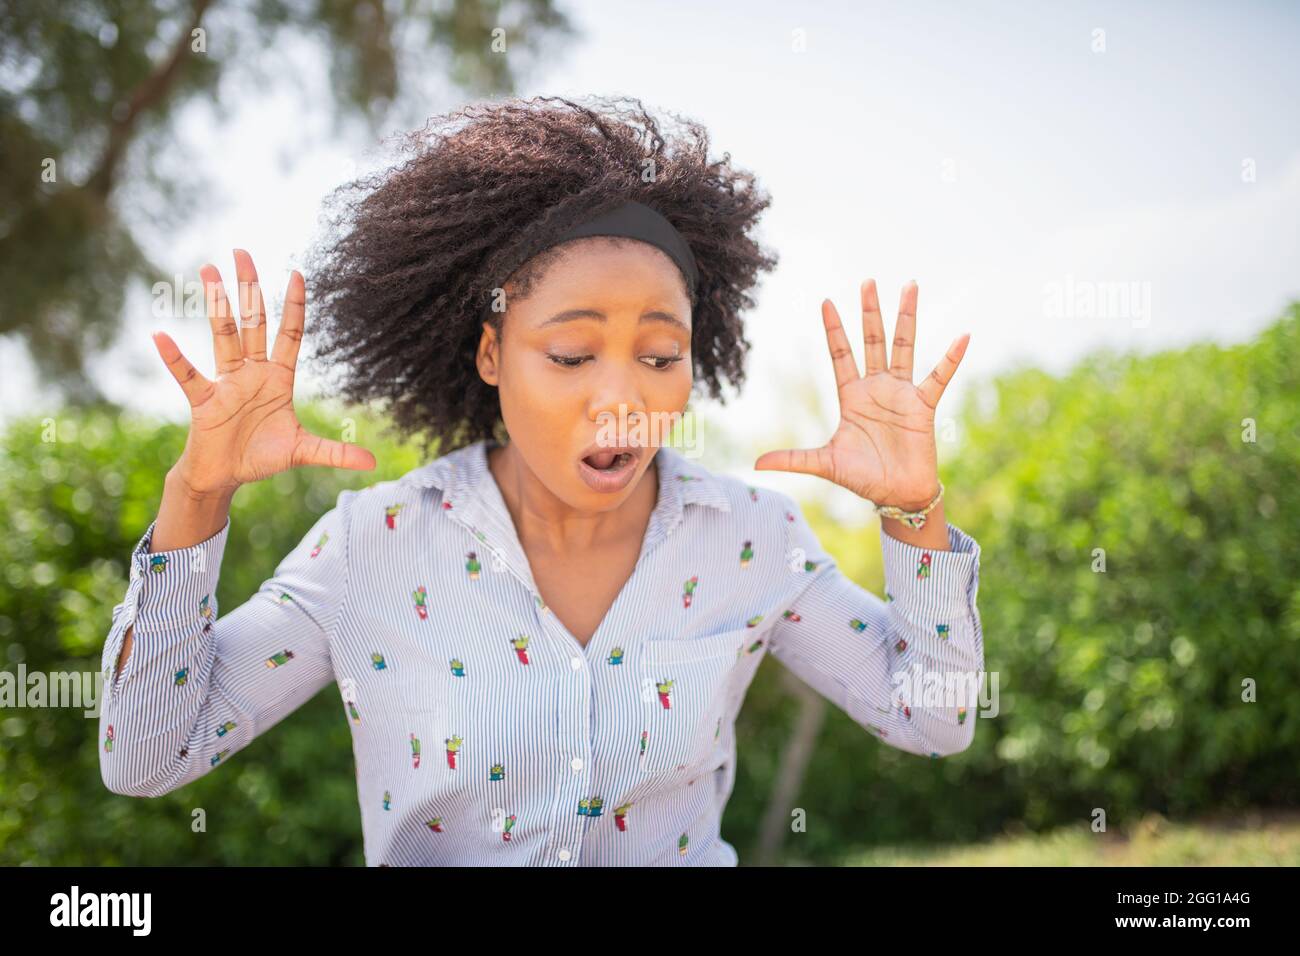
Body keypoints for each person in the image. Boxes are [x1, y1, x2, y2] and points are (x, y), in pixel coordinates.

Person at [97, 95, 984, 866]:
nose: (621, 396)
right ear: (492, 354)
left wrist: (914, 513)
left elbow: (933, 718)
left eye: (660, 354)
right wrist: (199, 497)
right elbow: (146, 757)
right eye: (570, 352)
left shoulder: (750, 539)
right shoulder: (372, 548)